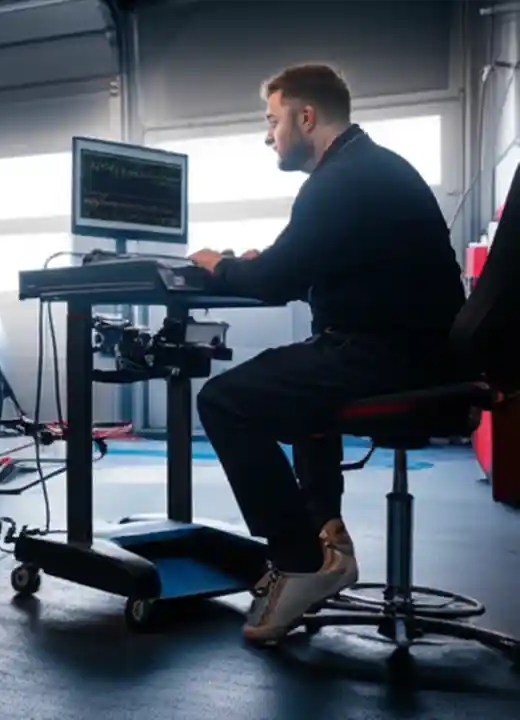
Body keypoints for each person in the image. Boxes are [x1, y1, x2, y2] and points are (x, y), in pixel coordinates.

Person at [188, 64, 466, 644]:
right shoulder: (370, 168)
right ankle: (325, 532)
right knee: (301, 382)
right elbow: (305, 261)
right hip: (416, 352)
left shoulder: (338, 181)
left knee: (225, 399)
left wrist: (219, 265)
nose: (269, 135)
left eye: (272, 120)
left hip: (389, 357)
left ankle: (299, 564)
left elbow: (275, 281)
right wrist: (267, 262)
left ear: (305, 117)